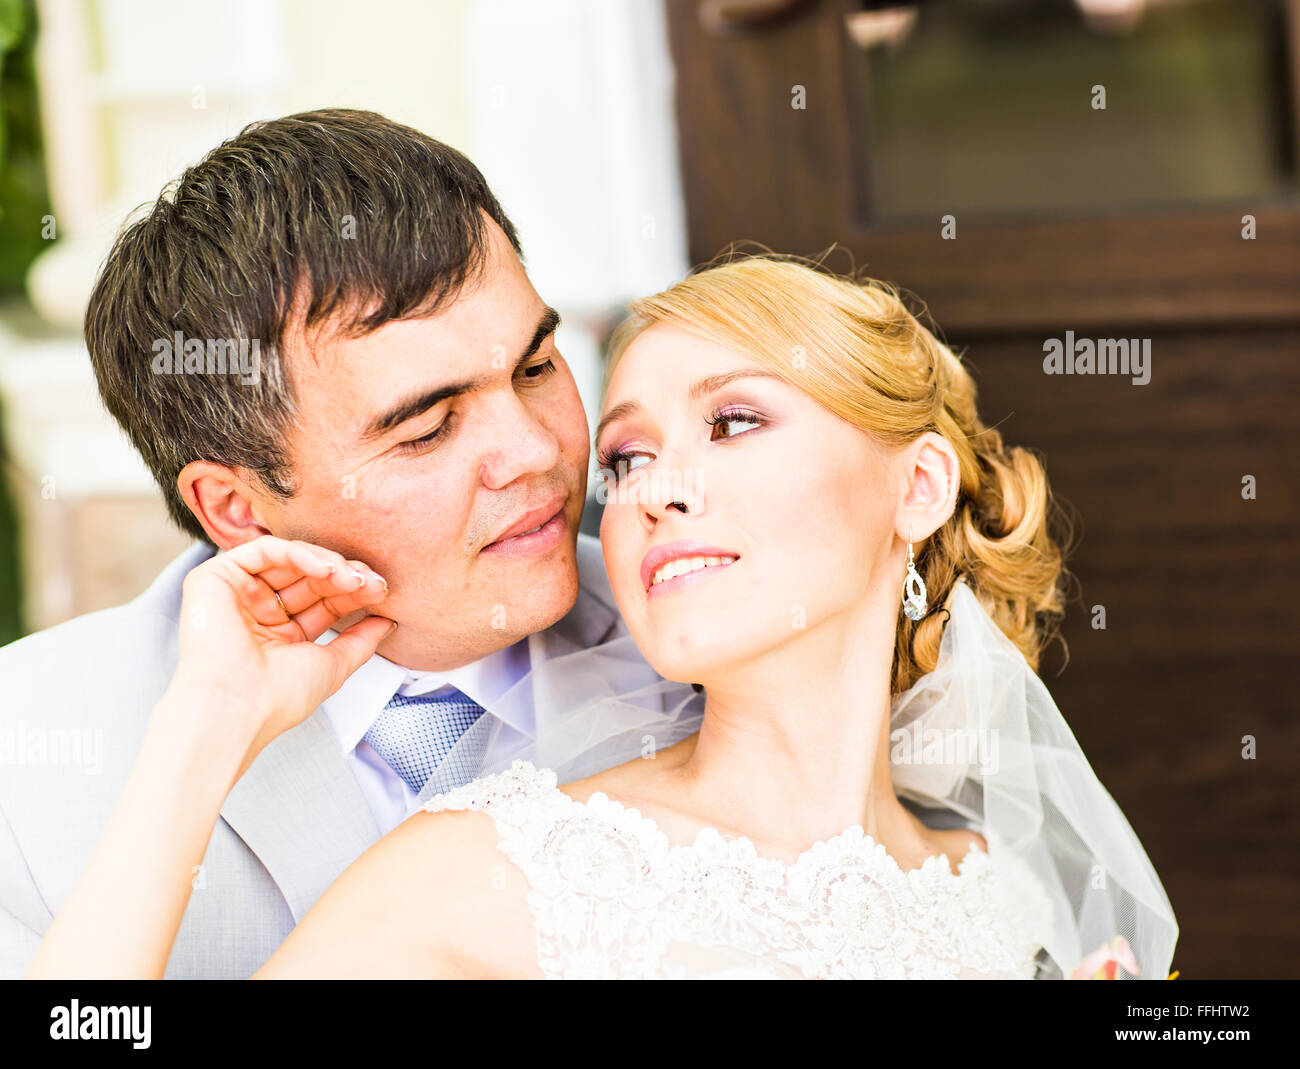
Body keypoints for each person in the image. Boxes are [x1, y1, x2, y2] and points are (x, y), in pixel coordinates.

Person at [26, 256, 1179, 980]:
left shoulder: (1006, 888)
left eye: (732, 422)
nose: (636, 488)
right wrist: (210, 722)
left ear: (917, 487)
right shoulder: (489, 868)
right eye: (628, 456)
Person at [0, 109, 689, 979]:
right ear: (238, 509)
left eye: (536, 368)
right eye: (429, 428)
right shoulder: (23, 753)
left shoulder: (708, 647)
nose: (539, 451)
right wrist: (202, 743)